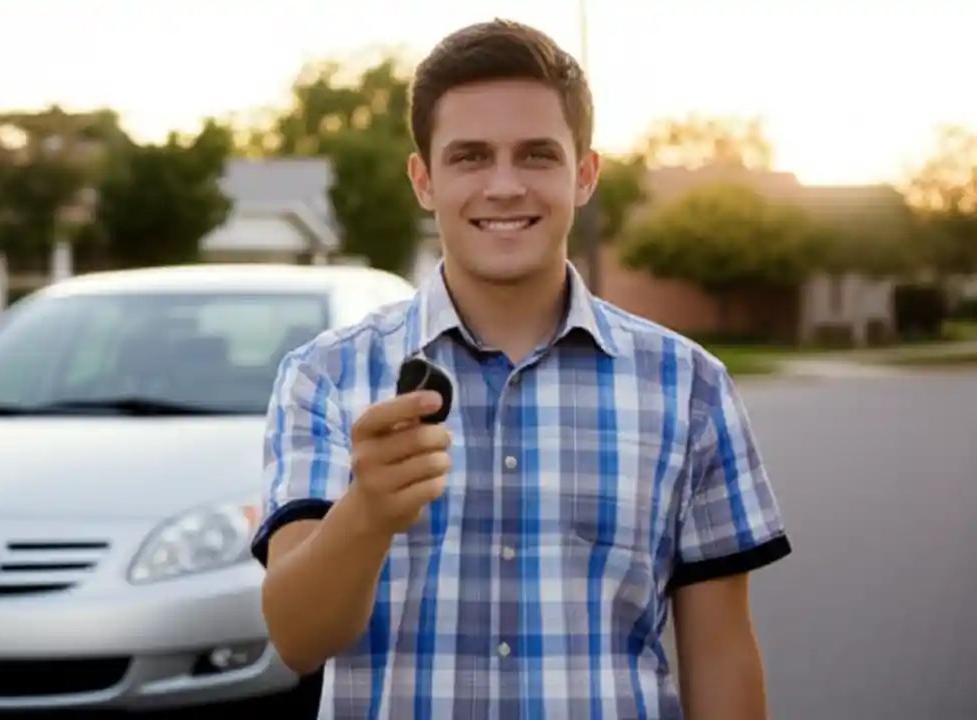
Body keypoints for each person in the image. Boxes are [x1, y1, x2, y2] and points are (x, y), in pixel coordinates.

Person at [250, 17, 792, 719]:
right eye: (470, 157)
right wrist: (369, 513)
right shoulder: (323, 378)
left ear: (585, 174)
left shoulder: (689, 388)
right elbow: (298, 640)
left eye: (536, 155)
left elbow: (720, 653)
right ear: (424, 180)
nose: (504, 186)